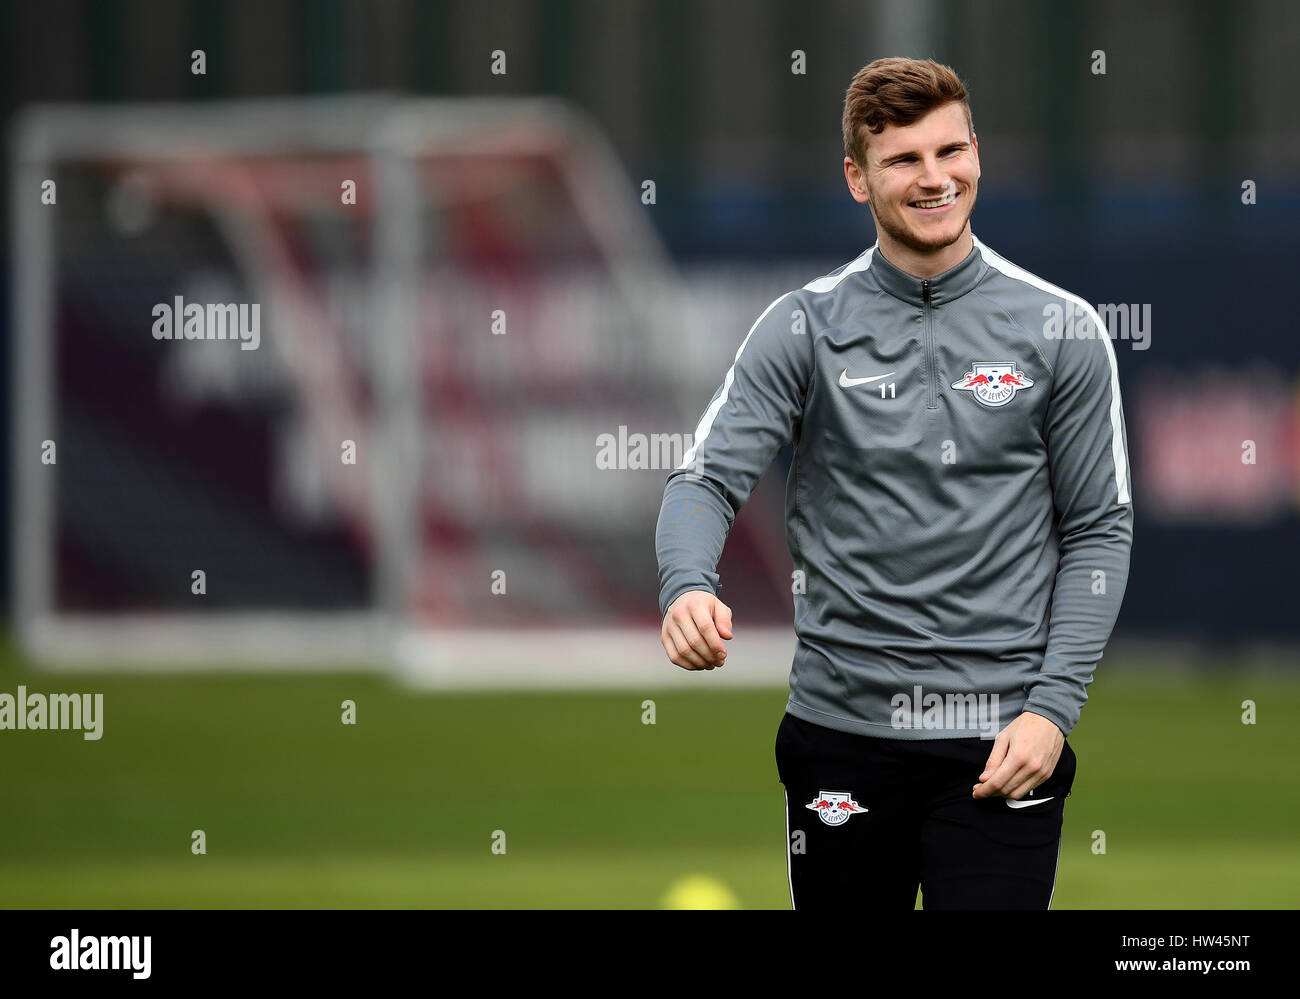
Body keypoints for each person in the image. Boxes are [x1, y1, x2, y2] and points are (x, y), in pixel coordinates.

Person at [654, 57, 1133, 909]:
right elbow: (704, 479)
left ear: (978, 152)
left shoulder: (1064, 328)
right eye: (905, 160)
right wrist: (686, 584)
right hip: (842, 738)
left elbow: (1099, 528)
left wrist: (1052, 712)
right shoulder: (802, 326)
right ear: (856, 177)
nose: (936, 177)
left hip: (1004, 742)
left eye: (952, 150)